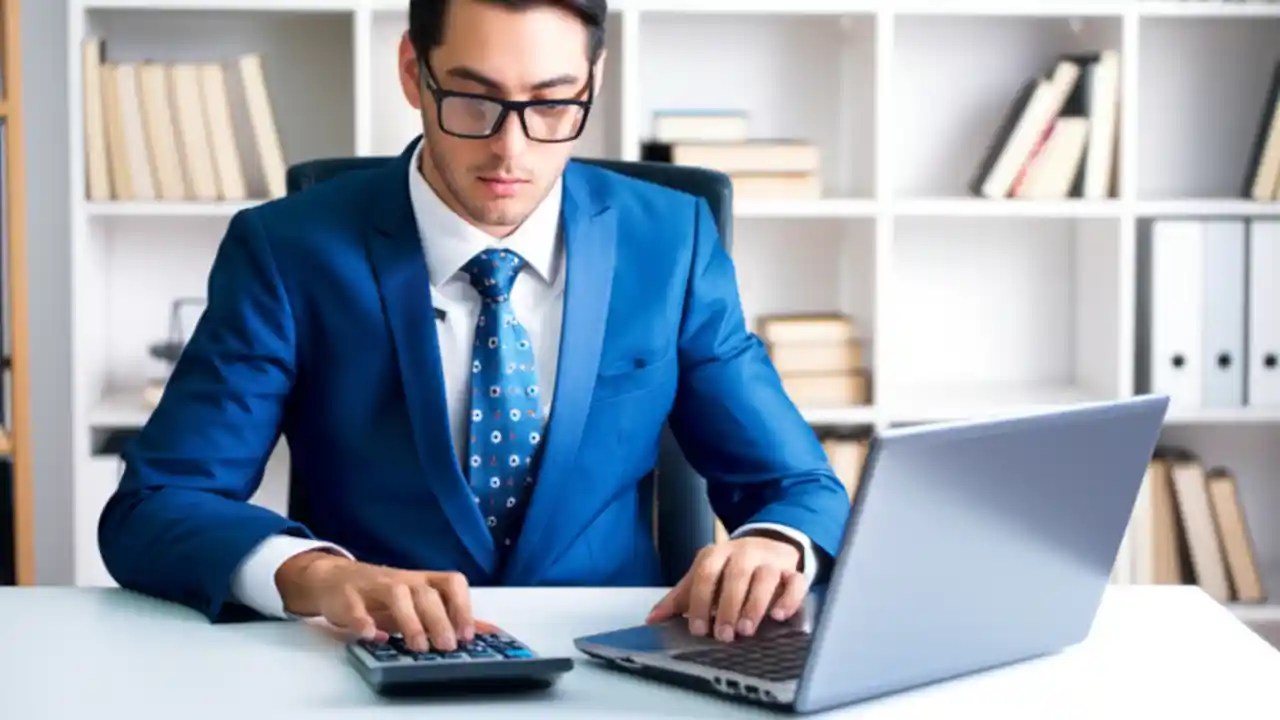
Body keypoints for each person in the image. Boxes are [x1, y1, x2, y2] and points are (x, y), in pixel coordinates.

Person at [98, 0, 850, 655]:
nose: (510, 150)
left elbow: (797, 485)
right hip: (370, 659)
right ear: (411, 70)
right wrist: (316, 576)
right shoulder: (287, 251)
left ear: (594, 80)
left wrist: (771, 545)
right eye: (472, 98)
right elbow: (155, 506)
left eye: (554, 104)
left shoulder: (671, 241)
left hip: (618, 657)